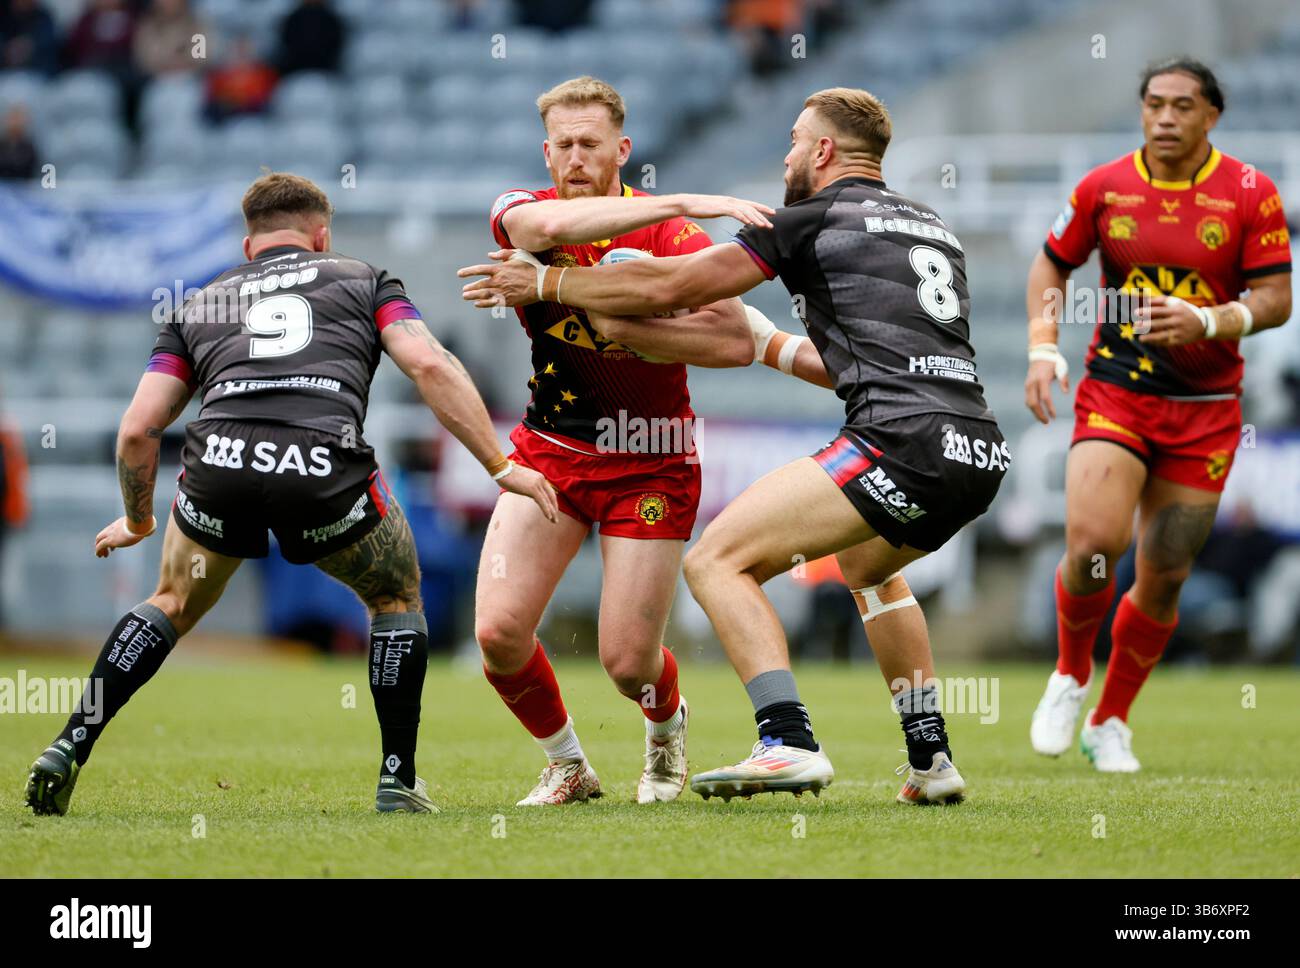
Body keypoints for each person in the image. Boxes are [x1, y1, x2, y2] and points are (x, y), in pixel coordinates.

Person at [461, 87, 1009, 805]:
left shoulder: (804, 217)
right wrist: (764, 342)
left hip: (883, 440)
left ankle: (788, 741)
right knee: (871, 569)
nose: (784, 156)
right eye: (560, 144)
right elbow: (849, 355)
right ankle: (932, 760)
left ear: (820, 152)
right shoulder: (928, 223)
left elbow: (691, 285)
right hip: (975, 445)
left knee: (718, 562)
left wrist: (554, 283)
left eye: (792, 141)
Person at [24, 172, 558, 817]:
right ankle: (397, 778)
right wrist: (500, 465)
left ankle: (69, 743)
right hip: (321, 466)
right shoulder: (363, 277)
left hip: (221, 464)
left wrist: (138, 520)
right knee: (394, 596)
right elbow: (429, 365)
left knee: (170, 600)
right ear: (320, 235)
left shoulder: (201, 301)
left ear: (250, 246)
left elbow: (139, 428)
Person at [472, 75, 782, 806]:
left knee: (626, 662)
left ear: (623, 149)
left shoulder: (666, 236)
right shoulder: (523, 212)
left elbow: (735, 339)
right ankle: (569, 766)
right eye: (563, 146)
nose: (575, 158)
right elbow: (538, 238)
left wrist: (629, 319)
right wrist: (687, 196)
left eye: (591, 144)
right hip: (552, 448)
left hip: (651, 458)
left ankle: (667, 726)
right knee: (498, 634)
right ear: (546, 153)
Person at [1023, 57, 1291, 772]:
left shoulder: (1249, 192)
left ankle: (1110, 721)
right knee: (1093, 546)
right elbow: (1052, 264)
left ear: (1212, 116)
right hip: (1118, 392)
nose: (1165, 118)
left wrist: (1209, 322)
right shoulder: (1104, 187)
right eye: (1154, 104)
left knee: (1167, 571)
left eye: (1182, 106)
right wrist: (1042, 348)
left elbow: (1277, 299)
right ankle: (1071, 674)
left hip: (1204, 410)